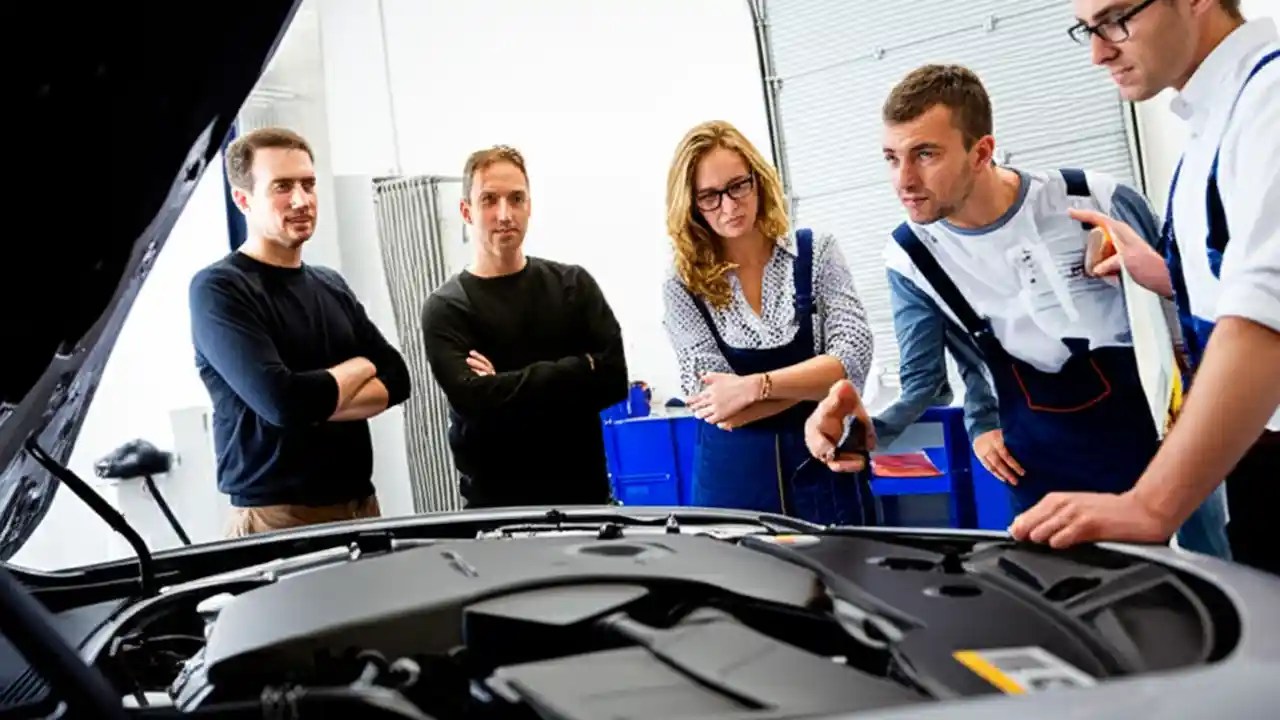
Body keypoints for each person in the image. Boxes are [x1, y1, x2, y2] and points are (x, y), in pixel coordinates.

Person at [804, 64, 1228, 557]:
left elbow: (1201, 317)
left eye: (925, 154)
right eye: (891, 158)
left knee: (1203, 596)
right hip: (1038, 467)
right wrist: (860, 432)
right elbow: (925, 383)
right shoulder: (910, 256)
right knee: (1062, 612)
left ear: (982, 151)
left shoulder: (1095, 200)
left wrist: (1153, 276)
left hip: (1161, 449)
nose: (904, 180)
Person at [1011, 0, 1278, 574]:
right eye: (1086, 29)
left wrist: (1150, 505)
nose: (1098, 52)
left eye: (1116, 20)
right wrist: (1163, 273)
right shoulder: (1216, 116)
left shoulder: (1271, 98)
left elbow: (1267, 320)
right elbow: (1240, 279)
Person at [189, 127, 411, 537]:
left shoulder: (331, 284)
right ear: (243, 199)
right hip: (278, 520)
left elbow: (398, 378)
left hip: (362, 508)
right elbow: (283, 404)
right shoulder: (219, 289)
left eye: (308, 184)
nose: (301, 200)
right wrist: (360, 366)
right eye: (282, 187)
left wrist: (312, 403)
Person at [661, 120, 877, 526]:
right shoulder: (682, 284)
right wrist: (820, 381)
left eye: (738, 186)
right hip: (733, 486)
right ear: (690, 204)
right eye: (709, 196)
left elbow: (852, 358)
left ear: (758, 180)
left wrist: (754, 387)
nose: (729, 206)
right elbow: (721, 410)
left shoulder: (817, 252)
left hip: (821, 464)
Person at [420, 145, 628, 509]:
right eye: (489, 200)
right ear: (466, 211)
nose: (505, 214)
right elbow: (474, 401)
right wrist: (579, 369)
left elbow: (613, 381)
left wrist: (502, 383)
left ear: (529, 205)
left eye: (516, 199)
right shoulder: (448, 308)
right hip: (496, 513)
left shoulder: (572, 286)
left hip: (584, 505)